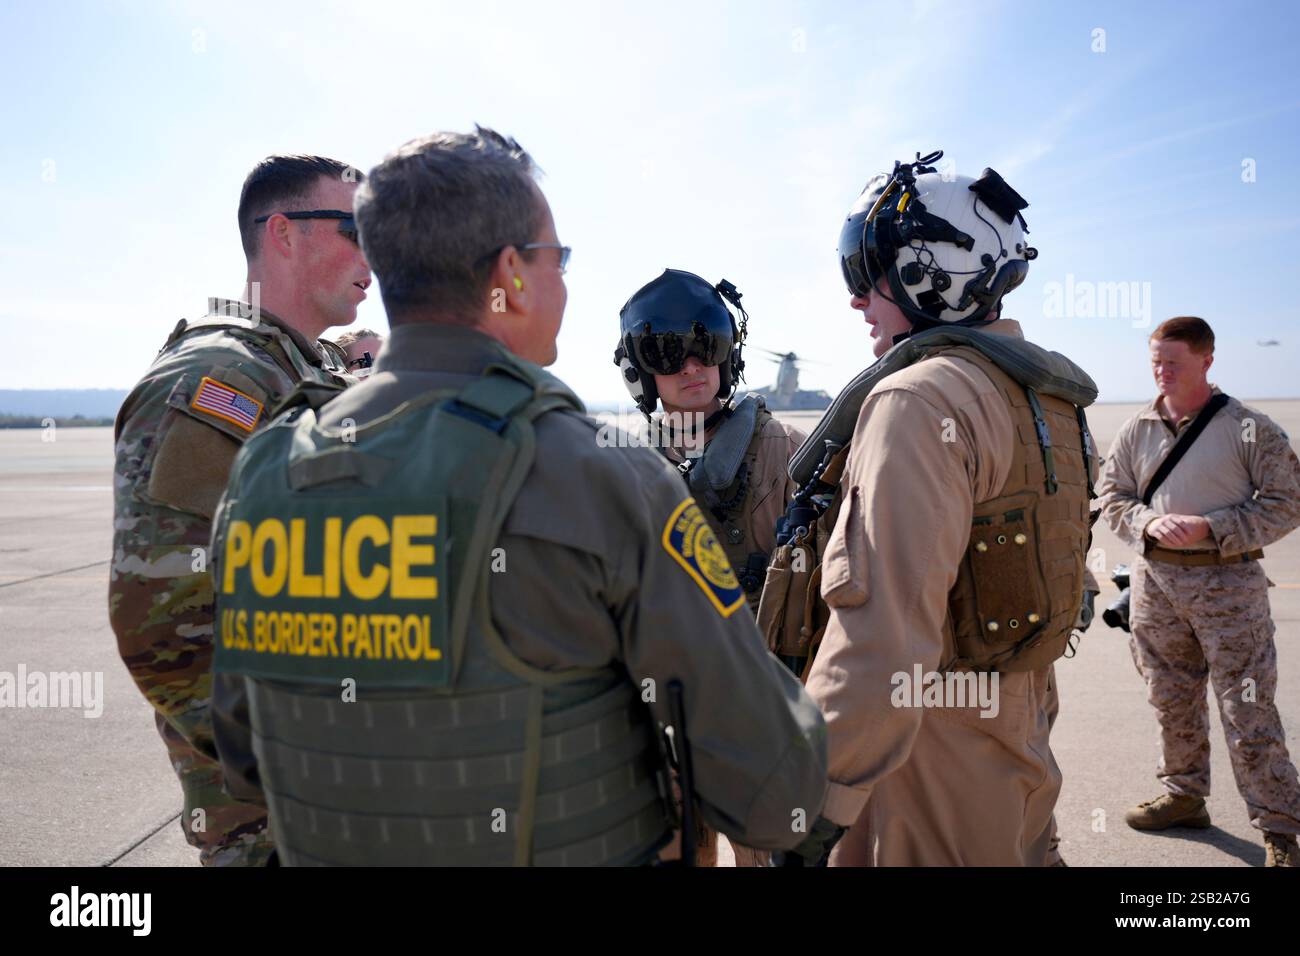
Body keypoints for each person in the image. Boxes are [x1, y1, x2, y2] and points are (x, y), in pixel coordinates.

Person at [207, 127, 828, 866]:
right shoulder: (600, 472)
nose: (561, 281)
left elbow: (244, 755)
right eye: (554, 259)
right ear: (511, 273)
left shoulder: (268, 473)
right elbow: (772, 791)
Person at [786, 151, 1097, 865]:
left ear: (929, 274)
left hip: (925, 757)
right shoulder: (1049, 397)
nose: (857, 299)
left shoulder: (918, 400)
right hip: (1020, 730)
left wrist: (817, 804)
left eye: (866, 274)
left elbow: (886, 639)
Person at [108, 154, 367, 865]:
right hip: (278, 818)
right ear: (285, 234)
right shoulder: (219, 380)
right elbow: (161, 614)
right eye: (357, 228)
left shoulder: (305, 372)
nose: (375, 255)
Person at [613, 269, 806, 867]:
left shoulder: (794, 454)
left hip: (762, 727)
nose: (692, 367)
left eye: (708, 348)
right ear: (642, 370)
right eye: (670, 353)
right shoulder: (623, 466)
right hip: (660, 727)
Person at [1097, 315, 1300, 867]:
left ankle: (1281, 827)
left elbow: (1288, 502)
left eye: (1173, 363)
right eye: (1156, 362)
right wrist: (1143, 523)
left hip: (1227, 583)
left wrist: (1212, 526)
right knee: (1170, 697)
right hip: (1154, 583)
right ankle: (1184, 796)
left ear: (1207, 361)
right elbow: (1111, 495)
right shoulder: (1138, 426)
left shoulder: (1247, 427)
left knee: (1247, 707)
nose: (1161, 373)